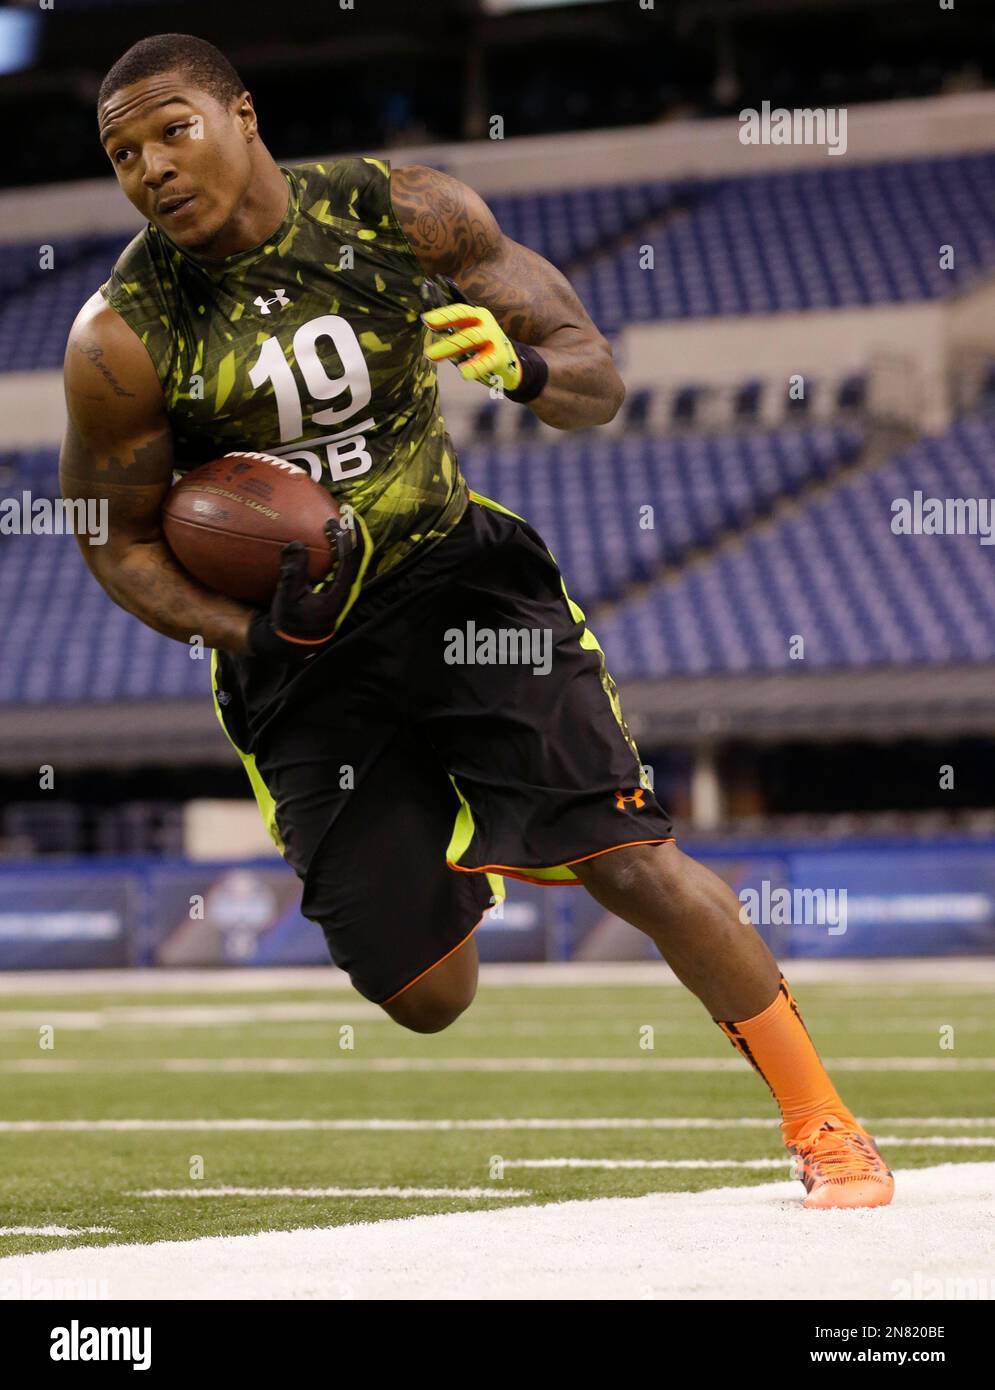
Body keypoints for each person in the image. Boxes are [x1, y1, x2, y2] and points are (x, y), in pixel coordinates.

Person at [59, 32, 894, 1209]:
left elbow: (590, 377)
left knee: (629, 857)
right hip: (300, 652)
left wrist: (527, 370)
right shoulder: (120, 334)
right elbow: (116, 539)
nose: (151, 166)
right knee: (425, 997)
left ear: (243, 114)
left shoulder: (399, 209)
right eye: (124, 153)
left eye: (172, 129)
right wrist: (249, 632)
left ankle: (825, 1127)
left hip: (458, 585)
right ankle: (455, 845)